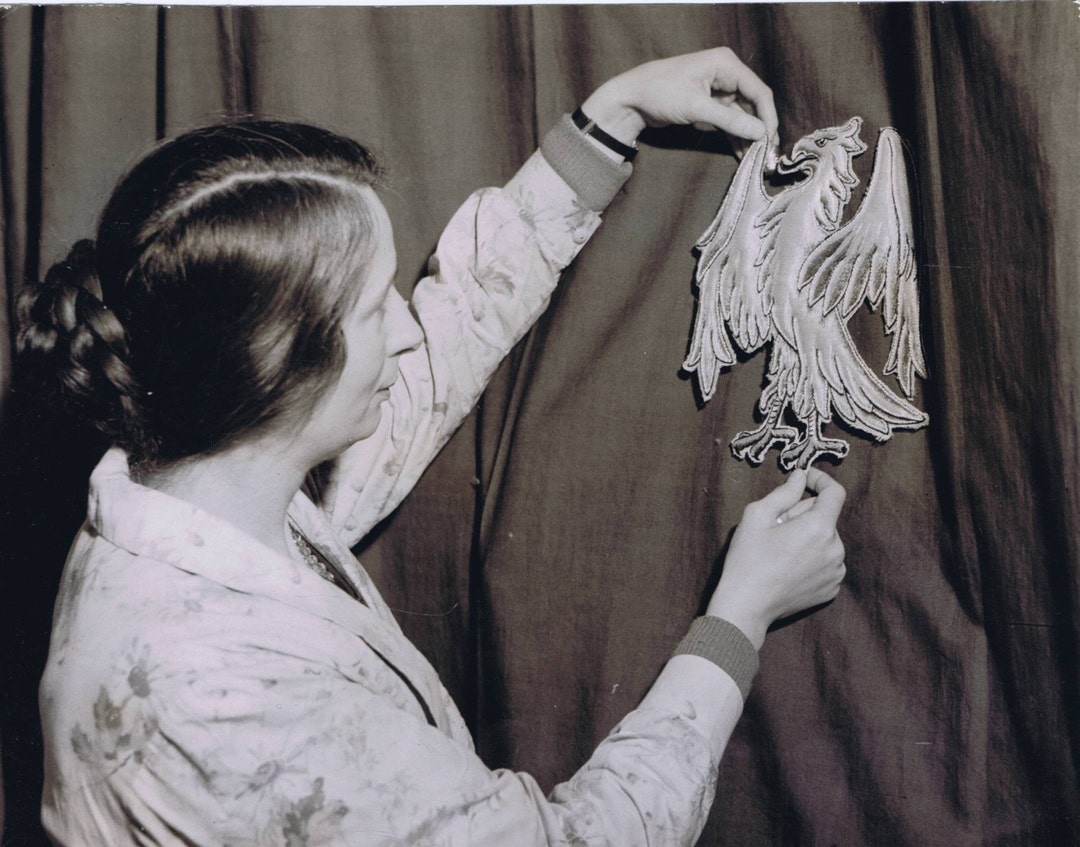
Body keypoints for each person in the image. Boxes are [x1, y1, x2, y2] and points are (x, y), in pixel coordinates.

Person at [19, 48, 846, 845]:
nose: (408, 330)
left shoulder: (196, 476)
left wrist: (612, 115)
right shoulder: (222, 699)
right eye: (376, 309)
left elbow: (427, 370)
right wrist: (740, 615)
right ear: (276, 365)